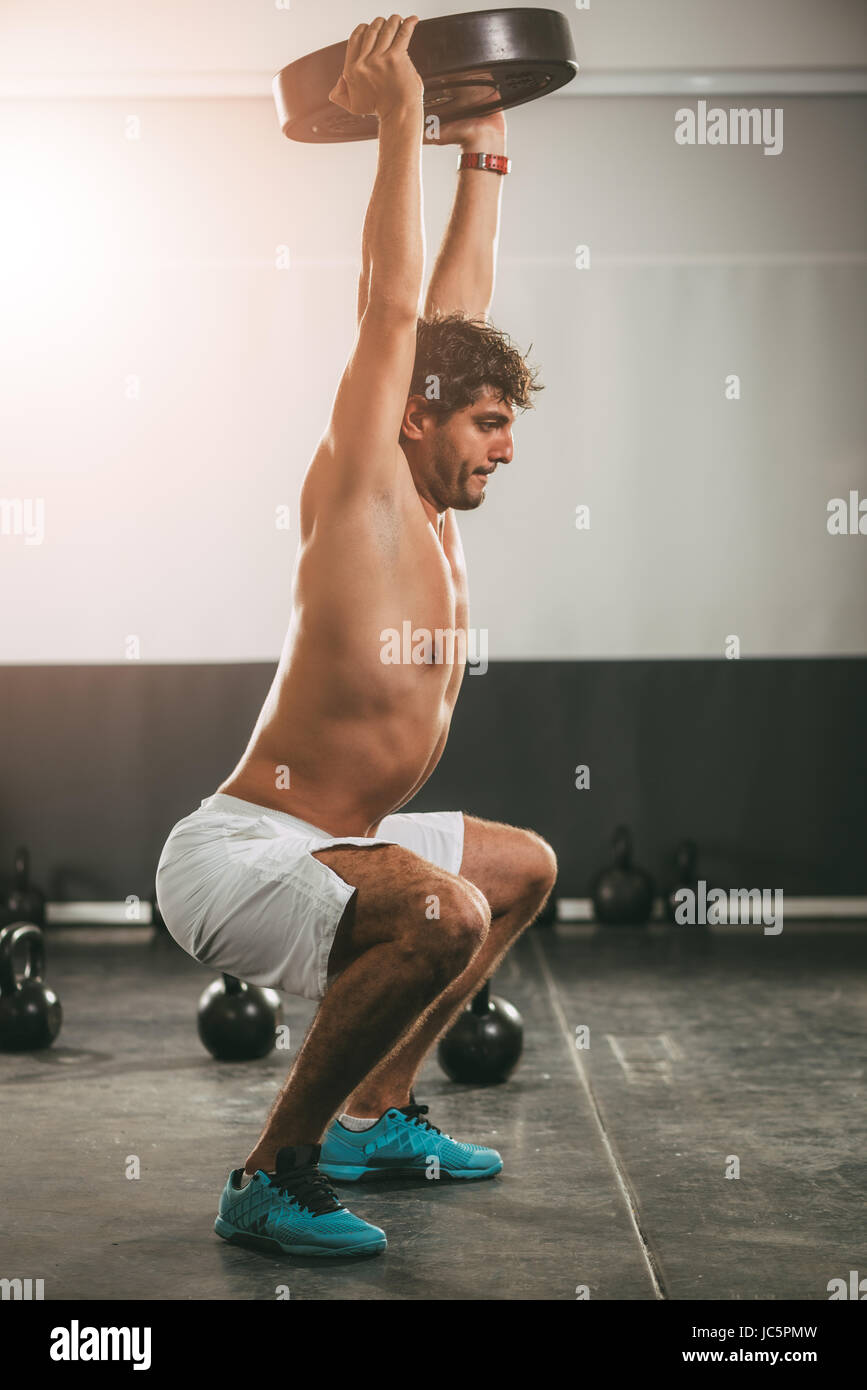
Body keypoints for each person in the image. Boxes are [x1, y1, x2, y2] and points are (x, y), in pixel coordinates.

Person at [156, 13, 556, 1259]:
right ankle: (268, 1175)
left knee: (516, 871)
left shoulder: (433, 506)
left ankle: (371, 1118)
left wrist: (480, 143)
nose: (505, 444)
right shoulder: (365, 490)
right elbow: (395, 312)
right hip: (240, 855)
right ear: (420, 420)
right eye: (488, 420)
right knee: (439, 911)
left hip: (337, 840)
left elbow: (447, 313)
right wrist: (395, 124)